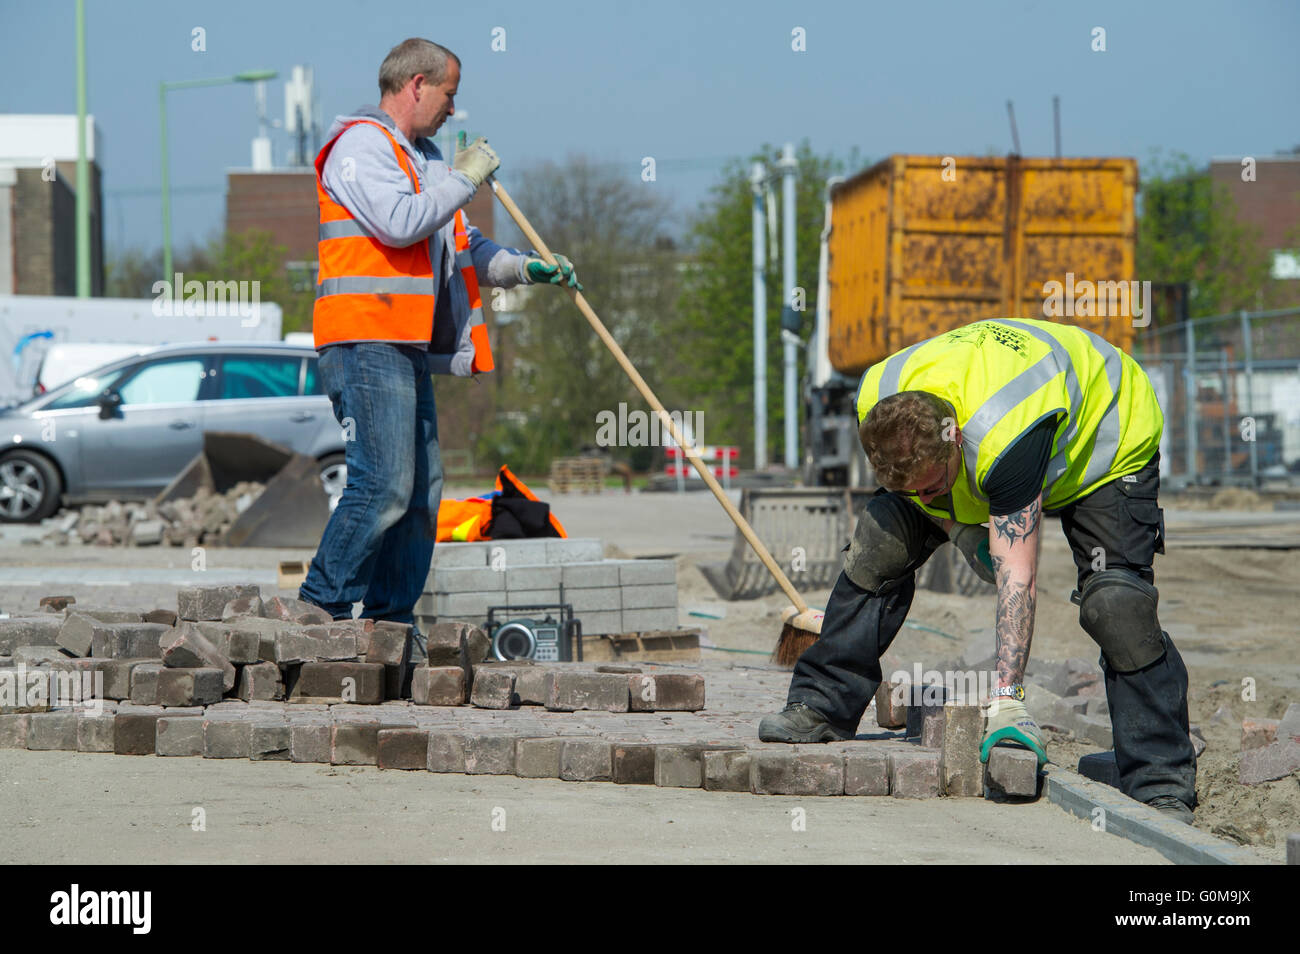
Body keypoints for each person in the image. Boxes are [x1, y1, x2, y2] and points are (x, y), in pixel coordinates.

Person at [759, 317, 1198, 823]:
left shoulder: (1005, 433)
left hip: (1103, 447)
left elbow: (1017, 575)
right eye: (914, 490)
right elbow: (917, 490)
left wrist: (1007, 700)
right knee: (879, 539)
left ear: (957, 440)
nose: (925, 499)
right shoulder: (877, 399)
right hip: (981, 449)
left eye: (933, 484)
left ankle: (1159, 779)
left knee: (1117, 605)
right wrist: (958, 527)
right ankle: (822, 703)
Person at [299, 37, 581, 639]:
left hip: (404, 346)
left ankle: (388, 622)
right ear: (416, 85)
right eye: (450, 95)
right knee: (383, 482)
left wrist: (526, 267)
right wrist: (465, 179)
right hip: (362, 337)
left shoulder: (424, 161)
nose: (454, 109)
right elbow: (399, 224)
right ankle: (318, 607)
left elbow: (464, 245)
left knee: (422, 491)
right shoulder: (360, 147)